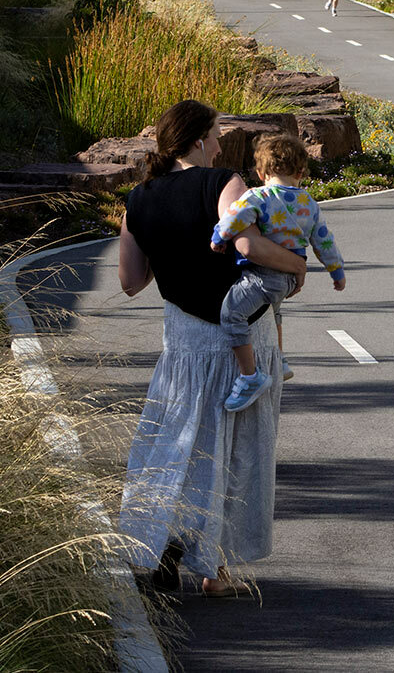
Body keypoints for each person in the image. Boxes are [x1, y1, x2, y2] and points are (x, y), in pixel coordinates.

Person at [116, 99, 308, 597]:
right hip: (240, 335)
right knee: (237, 451)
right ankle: (214, 566)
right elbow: (244, 245)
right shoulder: (223, 181)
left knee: (178, 442)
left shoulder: (139, 200)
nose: (222, 144)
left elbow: (131, 281)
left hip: (183, 341)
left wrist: (170, 244)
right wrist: (295, 264)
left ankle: (161, 543)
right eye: (218, 133)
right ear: (199, 140)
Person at [211, 133, 347, 412]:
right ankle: (280, 360)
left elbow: (234, 217)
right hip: (288, 278)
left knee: (232, 313)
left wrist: (218, 237)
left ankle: (250, 376)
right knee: (273, 311)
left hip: (264, 272)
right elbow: (324, 241)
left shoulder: (259, 196)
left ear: (262, 173)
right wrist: (336, 271)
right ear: (300, 172)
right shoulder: (309, 203)